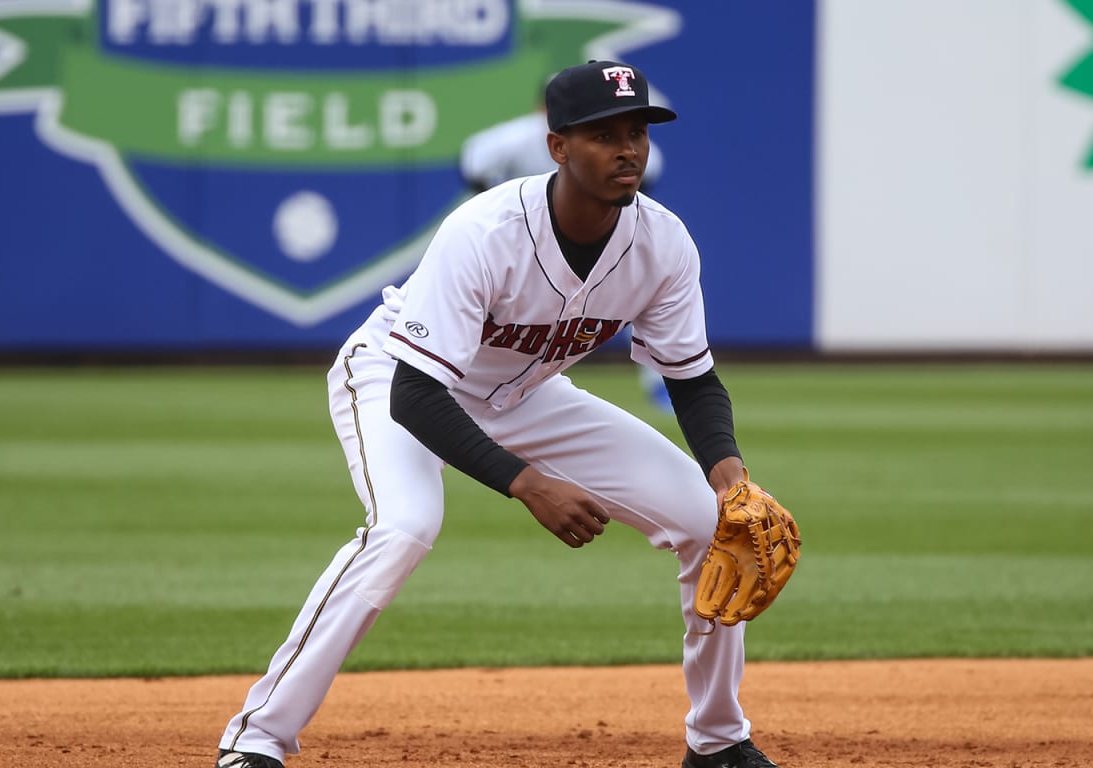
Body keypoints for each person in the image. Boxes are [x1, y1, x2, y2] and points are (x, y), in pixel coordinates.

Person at [214, 60, 781, 768]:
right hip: (397, 374)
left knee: (710, 523)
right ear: (557, 147)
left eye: (636, 132)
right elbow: (416, 396)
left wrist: (732, 479)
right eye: (603, 135)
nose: (627, 149)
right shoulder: (485, 231)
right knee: (404, 528)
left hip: (524, 393)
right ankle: (257, 738)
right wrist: (528, 483)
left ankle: (718, 741)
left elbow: (692, 381)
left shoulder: (663, 243)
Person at [460, 86, 673, 414]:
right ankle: (459, 376)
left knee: (640, 295)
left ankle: (660, 384)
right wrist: (501, 211)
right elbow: (474, 164)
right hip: (520, 240)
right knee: (480, 308)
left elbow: (647, 174)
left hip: (585, 238)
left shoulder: (606, 146)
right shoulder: (518, 136)